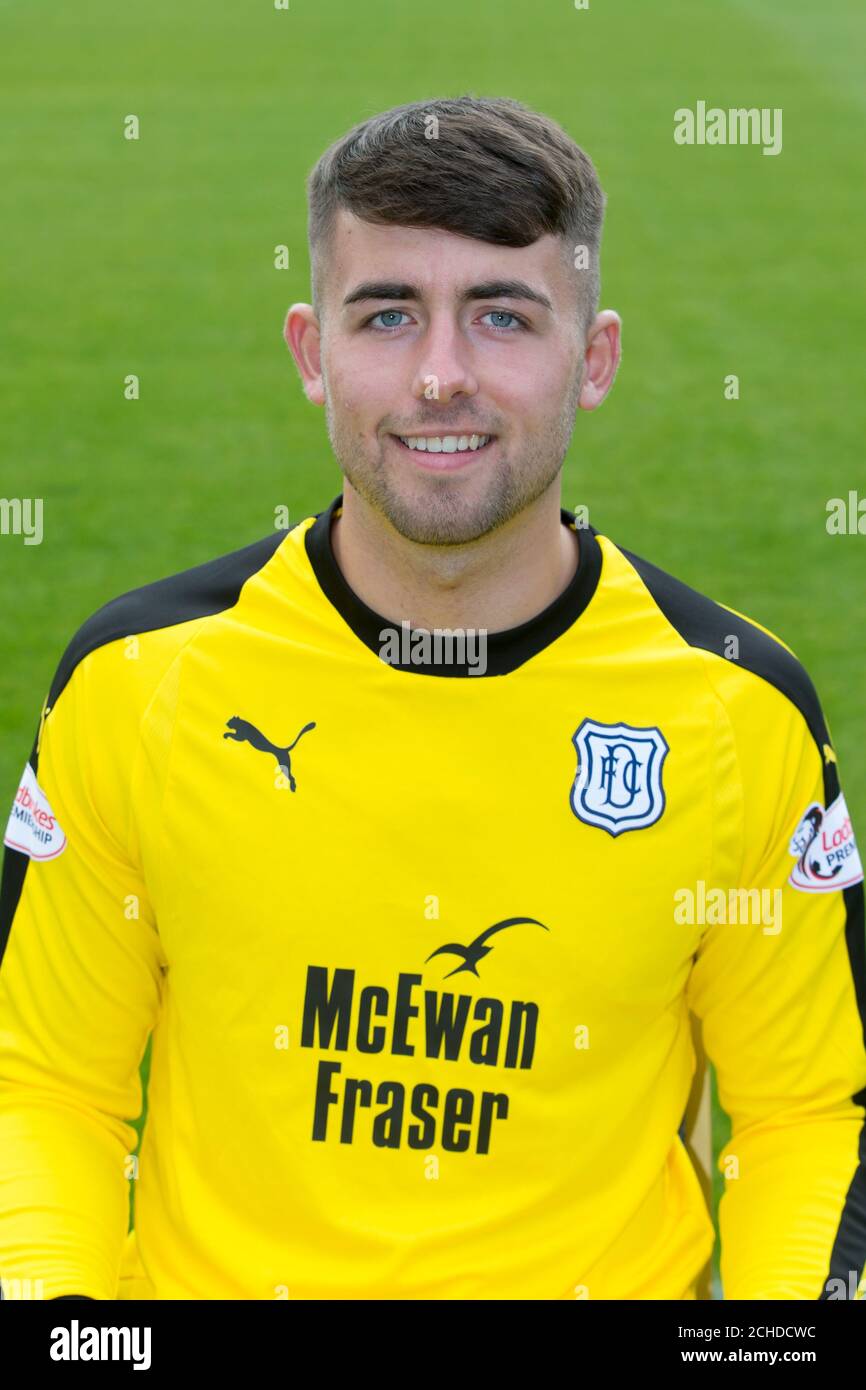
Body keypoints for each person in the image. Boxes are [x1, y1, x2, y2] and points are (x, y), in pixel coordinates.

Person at [1, 95, 864, 1302]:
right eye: (388, 314)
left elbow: (808, 1115)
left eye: (502, 316)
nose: (440, 375)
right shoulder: (139, 680)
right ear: (312, 352)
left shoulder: (734, 710)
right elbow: (43, 1087)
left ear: (593, 356)